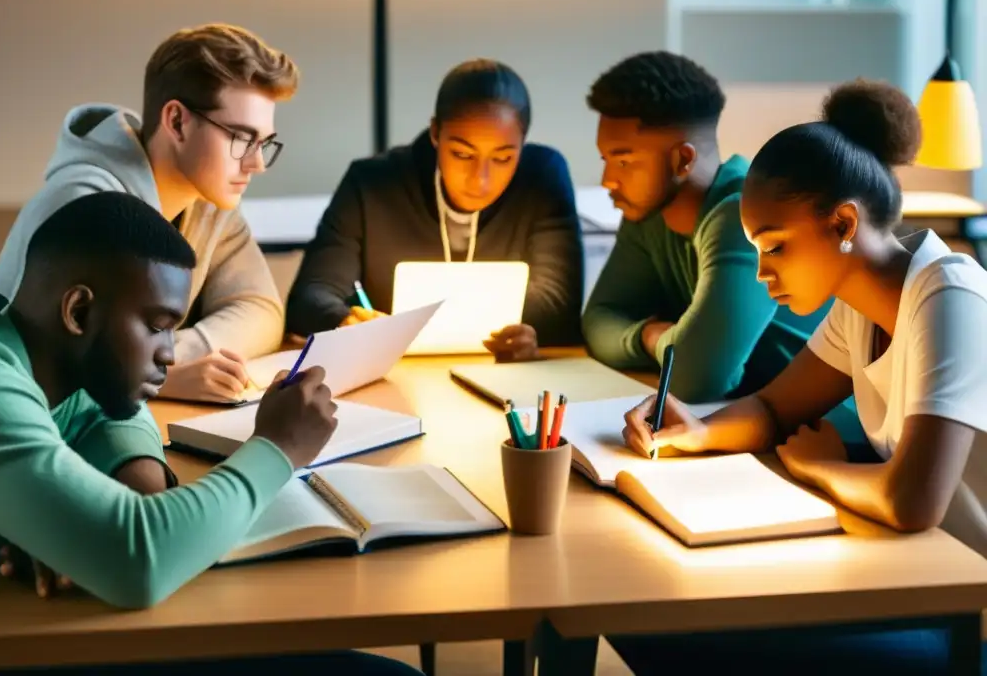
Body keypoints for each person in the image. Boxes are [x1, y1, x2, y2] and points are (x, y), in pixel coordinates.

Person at [614, 80, 987, 674]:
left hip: (966, 610)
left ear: (843, 224)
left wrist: (817, 467)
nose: (762, 273)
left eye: (776, 247)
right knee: (646, 617)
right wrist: (699, 430)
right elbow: (772, 410)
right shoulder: (856, 305)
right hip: (918, 576)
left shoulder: (950, 293)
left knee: (669, 631)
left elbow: (914, 501)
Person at [0, 192, 420, 676]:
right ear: (77, 312)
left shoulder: (22, 335)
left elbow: (100, 408)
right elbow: (137, 560)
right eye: (157, 326)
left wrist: (136, 483)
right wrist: (277, 447)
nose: (169, 354)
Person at [0, 24, 294, 404]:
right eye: (241, 138)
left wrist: (161, 361)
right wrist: (164, 378)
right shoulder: (84, 204)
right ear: (177, 121)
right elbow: (44, 366)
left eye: (263, 142)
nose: (257, 163)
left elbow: (260, 310)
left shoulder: (210, 200)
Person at [285, 58, 584, 362]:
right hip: (394, 374)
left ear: (523, 143)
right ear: (435, 133)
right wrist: (344, 321)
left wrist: (527, 331)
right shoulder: (373, 183)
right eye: (462, 154)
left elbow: (560, 305)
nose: (480, 179)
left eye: (503, 158)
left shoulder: (541, 177)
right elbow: (312, 295)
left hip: (501, 372)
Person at [581, 51, 833, 403]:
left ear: (682, 159)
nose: (608, 180)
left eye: (624, 161)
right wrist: (652, 336)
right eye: (606, 159)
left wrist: (660, 344)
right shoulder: (646, 215)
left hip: (823, 431)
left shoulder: (745, 216)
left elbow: (695, 378)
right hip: (738, 418)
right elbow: (597, 322)